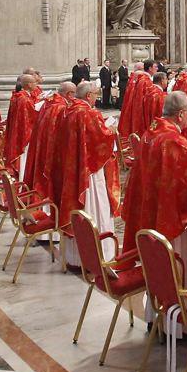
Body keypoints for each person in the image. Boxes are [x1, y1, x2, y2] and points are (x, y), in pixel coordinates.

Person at [121, 91, 187, 280]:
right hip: (169, 212)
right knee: (175, 261)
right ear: (181, 114)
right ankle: (178, 293)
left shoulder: (152, 131)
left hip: (151, 203)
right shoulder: (174, 140)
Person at [52, 82, 120, 269]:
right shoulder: (87, 113)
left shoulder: (68, 110)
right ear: (89, 95)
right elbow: (99, 140)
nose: (97, 97)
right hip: (89, 173)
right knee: (93, 208)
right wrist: (111, 132)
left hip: (72, 168)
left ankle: (75, 257)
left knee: (77, 207)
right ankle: (97, 256)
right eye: (96, 94)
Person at [3, 72, 40, 177]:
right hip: (25, 134)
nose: (36, 85)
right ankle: (23, 176)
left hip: (20, 129)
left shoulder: (21, 96)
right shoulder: (24, 99)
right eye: (34, 82)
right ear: (28, 84)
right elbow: (31, 117)